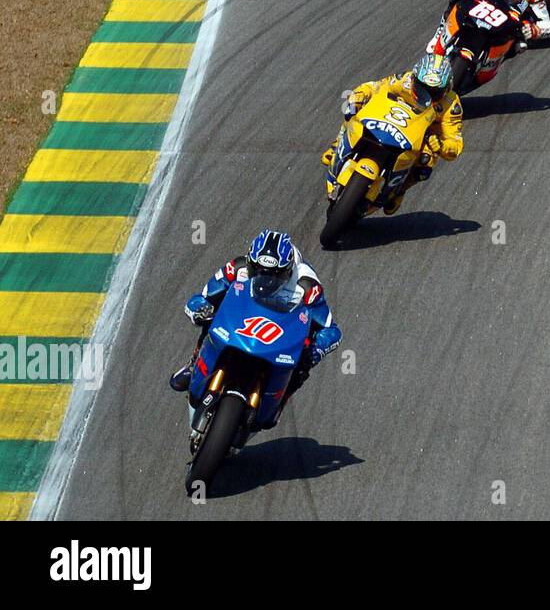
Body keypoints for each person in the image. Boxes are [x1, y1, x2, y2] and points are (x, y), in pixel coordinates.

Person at [168, 230, 342, 415]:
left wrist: (316, 350)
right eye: (257, 271)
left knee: (303, 362)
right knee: (211, 317)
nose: (264, 281)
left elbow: (331, 330)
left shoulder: (307, 286)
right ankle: (194, 362)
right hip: (243, 320)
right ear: (250, 262)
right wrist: (200, 310)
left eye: (274, 275)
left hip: (282, 328)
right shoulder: (237, 267)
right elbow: (202, 298)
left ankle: (280, 400)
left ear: (288, 271)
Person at [324, 53, 463, 214]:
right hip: (389, 118)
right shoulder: (404, 79)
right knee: (354, 111)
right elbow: (375, 87)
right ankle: (336, 146)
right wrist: (359, 95)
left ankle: (399, 190)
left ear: (447, 89)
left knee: (426, 164)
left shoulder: (451, 105)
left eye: (435, 92)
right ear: (415, 79)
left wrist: (441, 146)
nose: (428, 95)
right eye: (422, 87)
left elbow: (455, 142)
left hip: (422, 134)